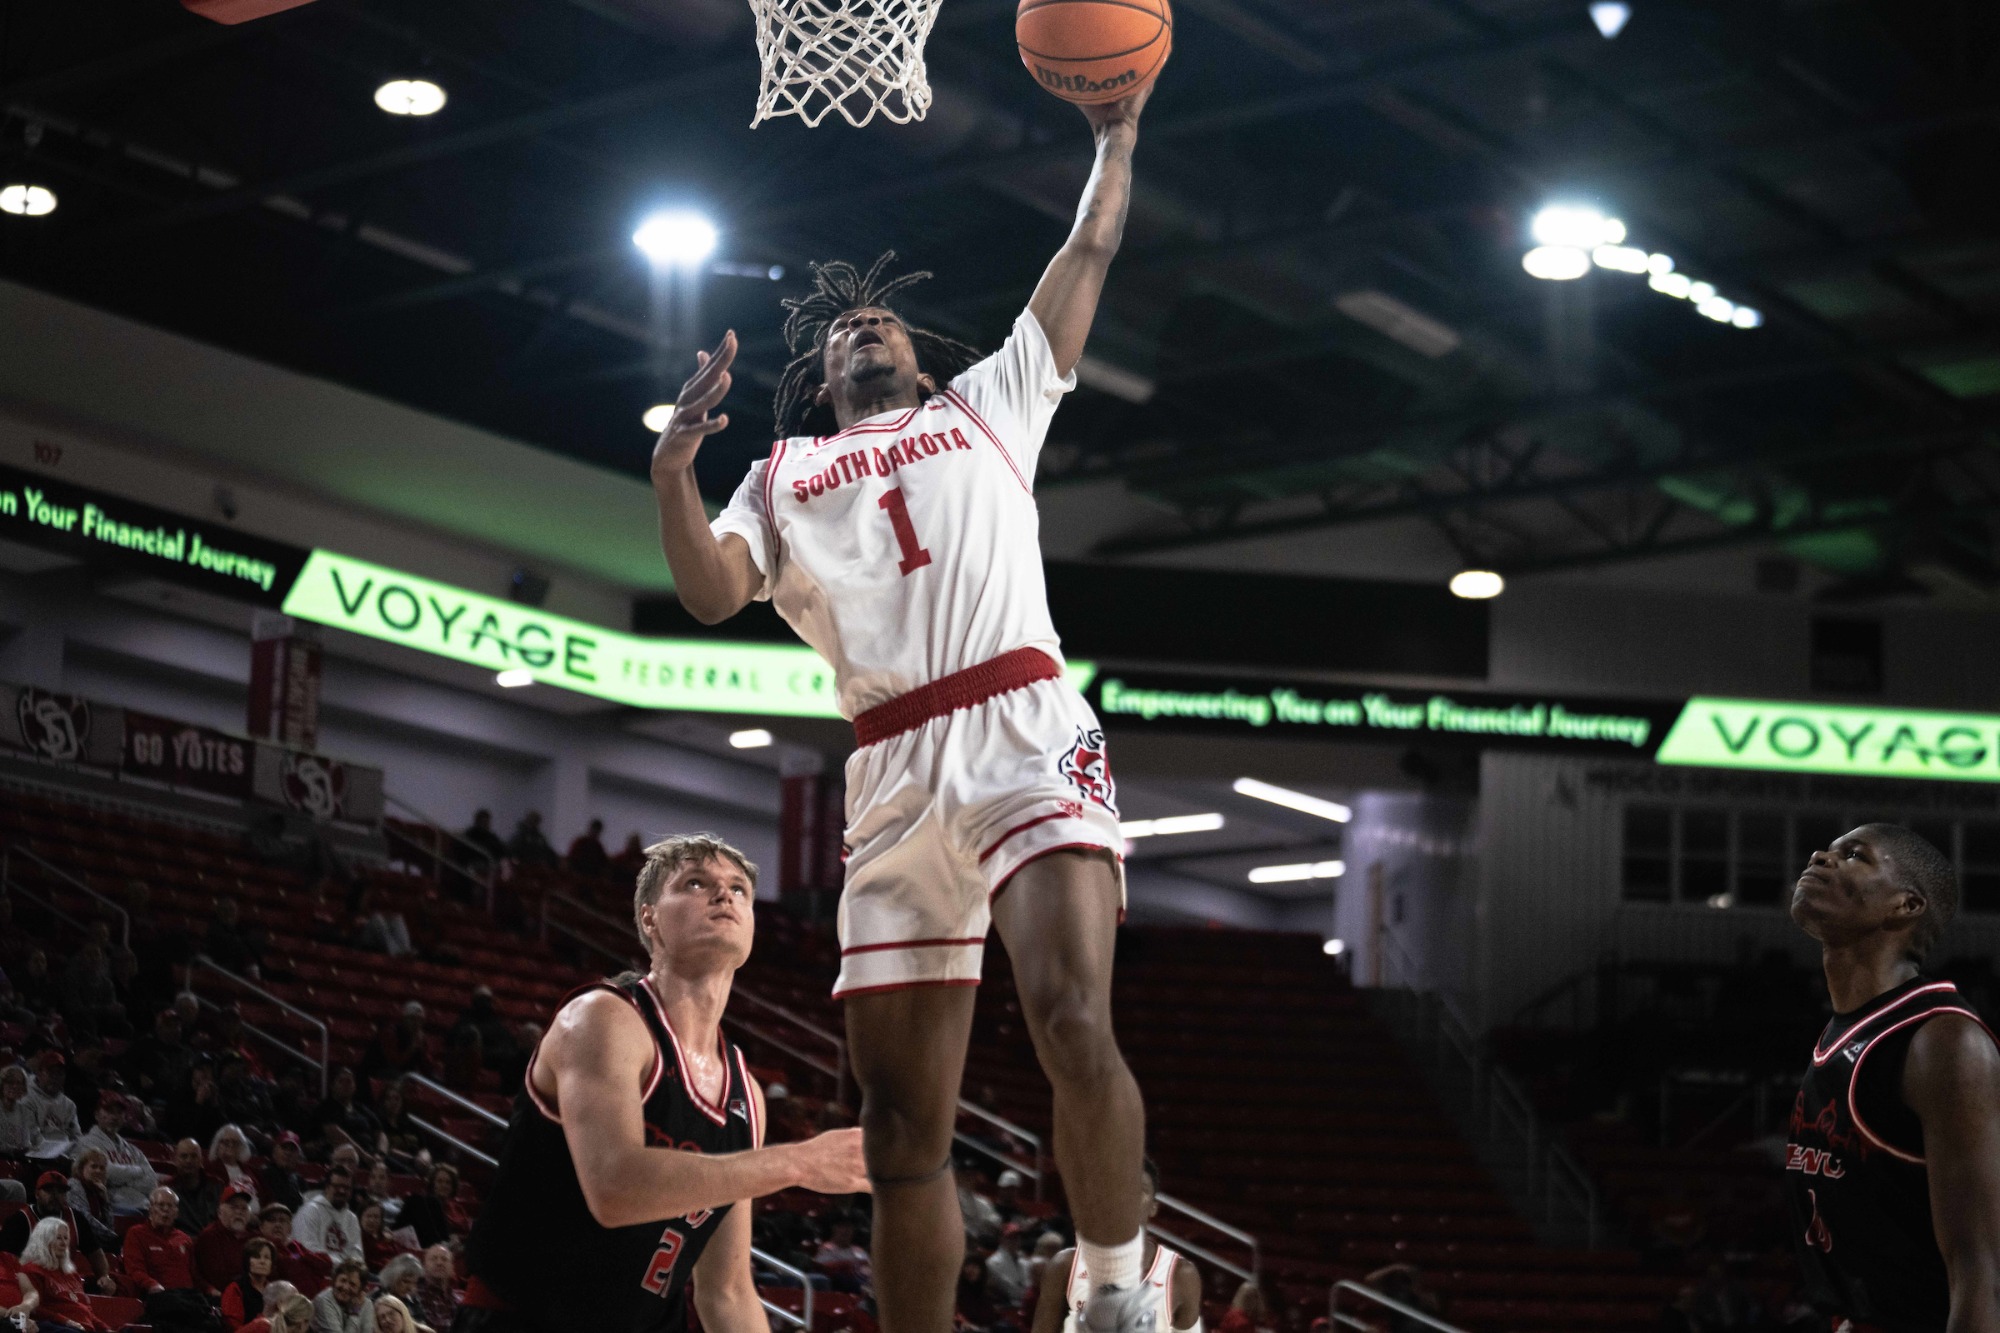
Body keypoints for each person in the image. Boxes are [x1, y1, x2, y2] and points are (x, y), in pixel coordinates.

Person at [652, 75, 1158, 1333]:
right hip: (887, 768)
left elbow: (1087, 250)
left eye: (882, 320)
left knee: (1069, 1014)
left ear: (921, 356)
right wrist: (672, 471)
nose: (864, 328)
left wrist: (1115, 138)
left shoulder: (990, 404)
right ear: (822, 376)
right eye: (844, 331)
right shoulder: (779, 473)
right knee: (896, 1128)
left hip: (1020, 722)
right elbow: (711, 592)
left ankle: (1115, 1292)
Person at [462, 833, 868, 1333]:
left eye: (738, 889)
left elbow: (727, 1292)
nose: (723, 895)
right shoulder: (602, 1018)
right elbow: (615, 1188)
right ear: (649, 917)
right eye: (696, 883)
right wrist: (799, 1162)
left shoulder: (745, 1092)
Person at [1784, 823, 2000, 1332]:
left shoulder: (1943, 1040)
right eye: (1827, 849)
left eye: (1854, 855)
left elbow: (1980, 1269)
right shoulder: (1846, 1029)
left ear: (1906, 905)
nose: (1820, 856)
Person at [1033, 1162, 1200, 1333]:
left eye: (1140, 1191)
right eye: (1121, 1189)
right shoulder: (1065, 1265)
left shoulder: (1181, 1274)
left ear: (1153, 1207)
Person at [2, 1172, 114, 1295]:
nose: (55, 1196)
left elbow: (95, 1253)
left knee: (105, 1288)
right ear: (37, 1194)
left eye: (60, 1192)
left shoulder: (76, 1219)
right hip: (28, 1281)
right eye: (49, 1190)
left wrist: (104, 1277)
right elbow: (8, 1262)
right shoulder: (19, 1220)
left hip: (62, 1282)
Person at [15, 1218, 108, 1332]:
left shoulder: (72, 1274)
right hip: (58, 1327)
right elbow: (36, 1309)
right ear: (43, 1239)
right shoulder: (32, 1270)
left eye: (66, 1238)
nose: (64, 1243)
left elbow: (86, 1311)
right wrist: (66, 1321)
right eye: (58, 1238)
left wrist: (106, 1329)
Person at [76, 1092, 158, 1214]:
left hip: (143, 1206)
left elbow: (152, 1183)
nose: (114, 1117)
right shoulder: (86, 1143)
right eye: (109, 1111)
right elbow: (104, 1172)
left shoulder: (133, 1150)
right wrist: (138, 1171)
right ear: (97, 1115)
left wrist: (118, 1180)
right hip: (110, 1207)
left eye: (119, 1113)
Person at [293, 1166, 363, 1266]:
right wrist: (341, 1264)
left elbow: (357, 1253)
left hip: (346, 1271)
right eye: (337, 1186)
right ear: (327, 1187)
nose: (342, 1191)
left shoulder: (352, 1218)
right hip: (315, 1269)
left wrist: (349, 1266)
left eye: (346, 1188)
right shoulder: (309, 1211)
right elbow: (307, 1249)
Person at [257, 1204, 329, 1297]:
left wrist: (302, 1257)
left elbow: (325, 1265)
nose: (277, 1225)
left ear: (290, 1228)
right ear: (261, 1227)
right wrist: (302, 1260)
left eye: (282, 1221)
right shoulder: (258, 1246)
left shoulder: (296, 1246)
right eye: (272, 1220)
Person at [197, 1188, 258, 1296]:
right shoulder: (209, 1237)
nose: (239, 1212)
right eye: (234, 1207)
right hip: (218, 1297)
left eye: (244, 1208)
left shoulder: (255, 1238)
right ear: (219, 1212)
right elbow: (202, 1274)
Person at [394, 1166, 464, 1251]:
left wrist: (456, 1237)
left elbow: (465, 1231)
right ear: (432, 1184)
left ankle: (441, 1245)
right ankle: (440, 1245)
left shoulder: (457, 1208)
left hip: (449, 1244)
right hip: (419, 1239)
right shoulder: (422, 1204)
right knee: (416, 1200)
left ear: (453, 1187)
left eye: (448, 1182)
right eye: (439, 1181)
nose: (444, 1185)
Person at [62, 1155, 118, 1257]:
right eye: (94, 1166)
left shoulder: (98, 1189)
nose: (98, 1171)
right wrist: (114, 1237)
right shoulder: (74, 1185)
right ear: (81, 1168)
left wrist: (105, 1201)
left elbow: (109, 1226)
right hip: (74, 1238)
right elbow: (84, 1220)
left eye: (102, 1168)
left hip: (93, 1239)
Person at [312, 1070, 379, 1155]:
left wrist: (380, 1154)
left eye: (349, 1081)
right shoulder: (325, 1108)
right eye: (341, 1081)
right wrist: (366, 1157)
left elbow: (380, 1132)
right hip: (344, 1155)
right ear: (332, 1086)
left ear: (355, 1086)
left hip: (372, 1153)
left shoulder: (361, 1108)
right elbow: (336, 1135)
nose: (345, 1085)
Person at [24, 1053, 81, 1155]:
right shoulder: (27, 1098)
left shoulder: (69, 1105)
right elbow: (31, 1134)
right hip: (35, 1155)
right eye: (51, 1073)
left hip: (64, 1155)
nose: (55, 1078)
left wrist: (73, 1155)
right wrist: (53, 1152)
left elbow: (76, 1136)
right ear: (39, 1073)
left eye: (60, 1074)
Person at [362, 1007, 433, 1083]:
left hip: (403, 1073)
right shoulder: (391, 1033)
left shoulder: (419, 1037)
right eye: (413, 1019)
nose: (416, 1024)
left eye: (420, 1020)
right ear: (405, 1019)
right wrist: (412, 1047)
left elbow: (426, 1066)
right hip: (380, 1070)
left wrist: (423, 1050)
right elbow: (394, 1063)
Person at [221, 1240, 279, 1332]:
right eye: (256, 1257)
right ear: (247, 1261)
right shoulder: (236, 1288)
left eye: (267, 1257)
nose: (262, 1261)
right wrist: (261, 1322)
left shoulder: (276, 1290)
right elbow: (233, 1327)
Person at [171, 1139, 224, 1234]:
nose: (189, 1160)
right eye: (184, 1156)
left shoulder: (217, 1185)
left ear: (201, 1160)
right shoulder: (167, 1189)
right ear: (175, 1160)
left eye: (194, 1156)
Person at [311, 1261, 374, 1333]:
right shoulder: (324, 1301)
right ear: (334, 1280)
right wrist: (354, 1313)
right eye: (343, 1281)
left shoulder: (366, 1303)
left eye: (352, 1284)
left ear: (361, 1289)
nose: (345, 1287)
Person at [209, 1125, 260, 1208]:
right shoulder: (210, 1169)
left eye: (235, 1143)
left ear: (241, 1147)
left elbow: (265, 1195)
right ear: (217, 1145)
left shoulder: (251, 1170)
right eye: (226, 1142)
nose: (230, 1145)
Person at [409, 1247, 456, 1333]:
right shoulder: (413, 1294)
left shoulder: (460, 1299)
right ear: (424, 1266)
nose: (439, 1263)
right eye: (433, 1259)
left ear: (452, 1267)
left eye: (444, 1259)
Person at [987, 1225, 1033, 1310]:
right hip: (1008, 1307)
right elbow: (1010, 1289)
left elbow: (1029, 1284)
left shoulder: (1025, 1261)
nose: (1015, 1241)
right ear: (1002, 1239)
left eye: (1017, 1238)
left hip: (1027, 1303)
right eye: (1011, 1238)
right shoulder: (993, 1262)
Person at [261, 1133, 306, 1212]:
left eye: (292, 1150)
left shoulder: (299, 1180)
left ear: (298, 1156)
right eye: (284, 1148)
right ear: (274, 1151)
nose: (288, 1153)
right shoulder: (263, 1174)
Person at [1, 1063, 37, 1157]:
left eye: (19, 1083)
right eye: (10, 1082)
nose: (15, 1086)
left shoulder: (25, 1111)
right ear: (2, 1084)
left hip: (19, 1159)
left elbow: (30, 1140)